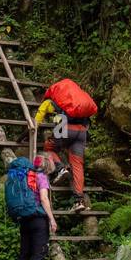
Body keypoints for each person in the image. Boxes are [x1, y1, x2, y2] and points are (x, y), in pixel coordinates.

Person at [34, 78, 98, 213]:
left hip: (63, 126)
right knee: (77, 165)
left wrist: (34, 126)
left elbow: (41, 113)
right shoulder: (76, 102)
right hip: (81, 131)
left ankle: (60, 168)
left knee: (49, 148)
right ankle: (79, 201)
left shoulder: (52, 100)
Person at [4, 152, 57, 260]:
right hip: (38, 219)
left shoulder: (24, 176)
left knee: (23, 255)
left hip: (24, 220)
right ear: (48, 166)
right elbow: (44, 199)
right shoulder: (41, 177)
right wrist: (52, 219)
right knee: (38, 254)